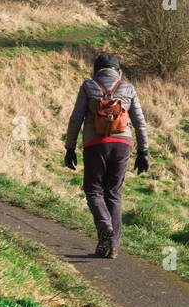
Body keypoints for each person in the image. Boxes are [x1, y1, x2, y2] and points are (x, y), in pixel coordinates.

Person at [63, 53, 149, 258]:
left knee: (93, 191)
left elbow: (76, 118)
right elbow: (139, 121)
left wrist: (70, 148)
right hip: (122, 144)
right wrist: (143, 151)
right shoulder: (128, 88)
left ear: (96, 70)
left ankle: (104, 226)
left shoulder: (88, 86)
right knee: (114, 194)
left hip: (95, 144)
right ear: (118, 71)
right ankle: (112, 248)